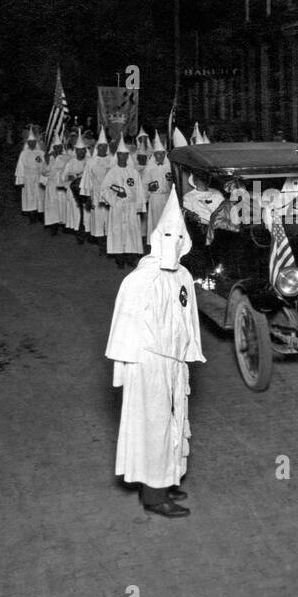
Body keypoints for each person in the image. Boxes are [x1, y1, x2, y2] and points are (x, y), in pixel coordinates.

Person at [106, 194, 206, 519]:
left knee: (175, 422)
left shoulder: (183, 277)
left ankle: (167, 478)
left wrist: (188, 354)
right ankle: (153, 495)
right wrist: (124, 371)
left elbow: (189, 320)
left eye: (179, 237)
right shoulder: (140, 280)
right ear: (155, 238)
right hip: (147, 364)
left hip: (174, 364)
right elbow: (124, 326)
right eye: (167, 236)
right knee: (154, 425)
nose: (173, 243)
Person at [98, 135, 146, 268]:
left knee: (131, 232)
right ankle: (119, 259)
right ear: (117, 156)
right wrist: (115, 198)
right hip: (118, 206)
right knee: (118, 231)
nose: (122, 157)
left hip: (131, 207)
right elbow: (104, 190)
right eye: (120, 155)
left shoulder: (134, 172)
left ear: (128, 156)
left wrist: (139, 206)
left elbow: (140, 190)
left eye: (125, 155)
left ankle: (130, 258)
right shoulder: (112, 172)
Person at [81, 129, 113, 245]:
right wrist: (88, 197)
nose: (103, 149)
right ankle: (101, 243)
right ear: (97, 147)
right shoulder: (91, 162)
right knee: (98, 218)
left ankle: (109, 241)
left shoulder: (112, 160)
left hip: (110, 194)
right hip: (96, 193)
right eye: (100, 146)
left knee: (109, 218)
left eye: (105, 146)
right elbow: (86, 180)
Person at [142, 133, 173, 242]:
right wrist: (149, 190)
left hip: (168, 197)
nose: (160, 156)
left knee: (168, 222)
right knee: (156, 221)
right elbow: (144, 185)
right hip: (155, 198)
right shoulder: (149, 168)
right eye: (158, 154)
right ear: (154, 155)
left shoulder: (169, 167)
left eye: (162, 154)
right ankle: (155, 243)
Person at [14, 129, 46, 223]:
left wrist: (44, 177)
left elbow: (43, 165)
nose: (32, 144)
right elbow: (20, 168)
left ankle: (41, 215)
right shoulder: (23, 154)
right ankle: (32, 217)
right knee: (30, 196)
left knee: (40, 195)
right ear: (27, 143)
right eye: (30, 142)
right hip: (28, 178)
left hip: (38, 176)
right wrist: (20, 181)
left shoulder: (40, 153)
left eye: (33, 142)